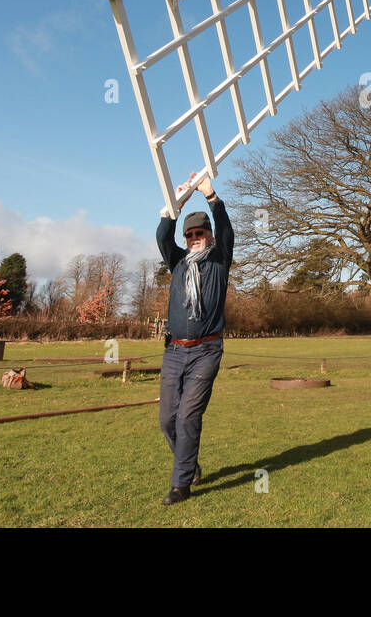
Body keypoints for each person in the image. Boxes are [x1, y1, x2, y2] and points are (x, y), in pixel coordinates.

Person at [155, 172, 233, 505]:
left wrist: (210, 195)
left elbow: (227, 230)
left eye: (199, 233)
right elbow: (162, 235)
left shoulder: (219, 260)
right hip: (174, 351)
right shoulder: (178, 263)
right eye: (189, 235)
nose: (193, 238)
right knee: (167, 420)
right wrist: (178, 203)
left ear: (208, 235)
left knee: (188, 416)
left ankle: (180, 484)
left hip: (206, 351)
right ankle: (190, 464)